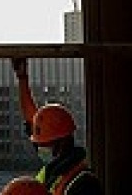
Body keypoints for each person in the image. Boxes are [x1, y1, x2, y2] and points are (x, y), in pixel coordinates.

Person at [12, 58, 103, 195]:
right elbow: (32, 120)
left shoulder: (83, 183)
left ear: (62, 142)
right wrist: (22, 78)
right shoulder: (53, 171)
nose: (40, 149)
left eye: (44, 145)